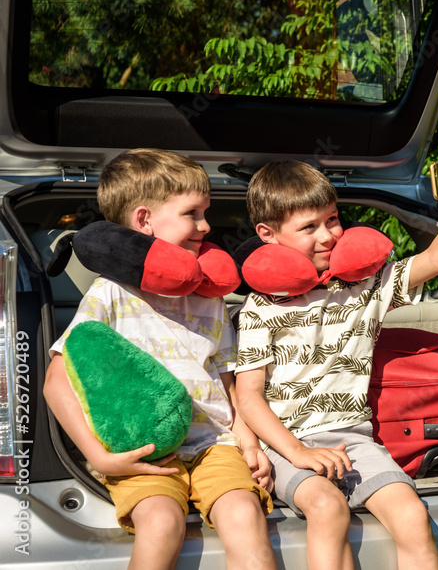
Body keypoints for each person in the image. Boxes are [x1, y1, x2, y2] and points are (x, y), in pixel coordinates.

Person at [234, 154, 438, 570]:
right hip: (284, 443)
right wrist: (296, 452)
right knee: (328, 507)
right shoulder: (259, 308)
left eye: (332, 220)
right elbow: (249, 397)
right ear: (267, 234)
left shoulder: (366, 286)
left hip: (355, 441)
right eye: (308, 227)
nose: (327, 236)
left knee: (411, 515)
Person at [42, 148, 276, 570]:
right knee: (162, 523)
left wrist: (249, 440)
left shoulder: (210, 298)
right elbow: (56, 381)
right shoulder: (109, 293)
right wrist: (100, 458)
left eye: (206, 213)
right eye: (192, 214)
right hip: (144, 452)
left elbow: (226, 380)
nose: (206, 226)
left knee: (245, 514)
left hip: (213, 444)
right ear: (145, 220)